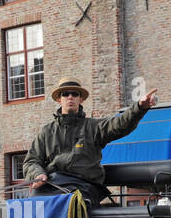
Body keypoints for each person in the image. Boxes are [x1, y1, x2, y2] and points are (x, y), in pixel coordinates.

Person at [23, 77, 159, 206]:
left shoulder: (94, 127)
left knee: (72, 203)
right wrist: (38, 174)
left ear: (80, 99)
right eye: (65, 94)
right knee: (33, 202)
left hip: (84, 185)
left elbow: (120, 124)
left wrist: (139, 108)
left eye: (74, 94)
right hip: (54, 184)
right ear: (59, 99)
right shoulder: (47, 132)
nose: (70, 97)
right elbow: (31, 161)